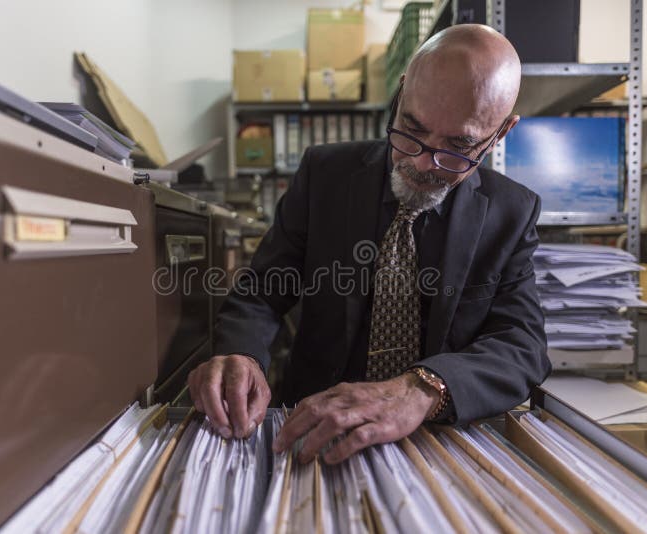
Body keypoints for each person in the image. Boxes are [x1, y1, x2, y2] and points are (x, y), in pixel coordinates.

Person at [188, 24, 551, 464]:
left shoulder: (511, 213)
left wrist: (422, 389)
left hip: (433, 443)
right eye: (411, 128)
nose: (422, 163)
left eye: (458, 146)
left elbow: (521, 345)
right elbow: (263, 291)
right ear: (402, 90)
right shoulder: (324, 175)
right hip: (311, 429)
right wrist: (241, 354)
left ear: (502, 132)